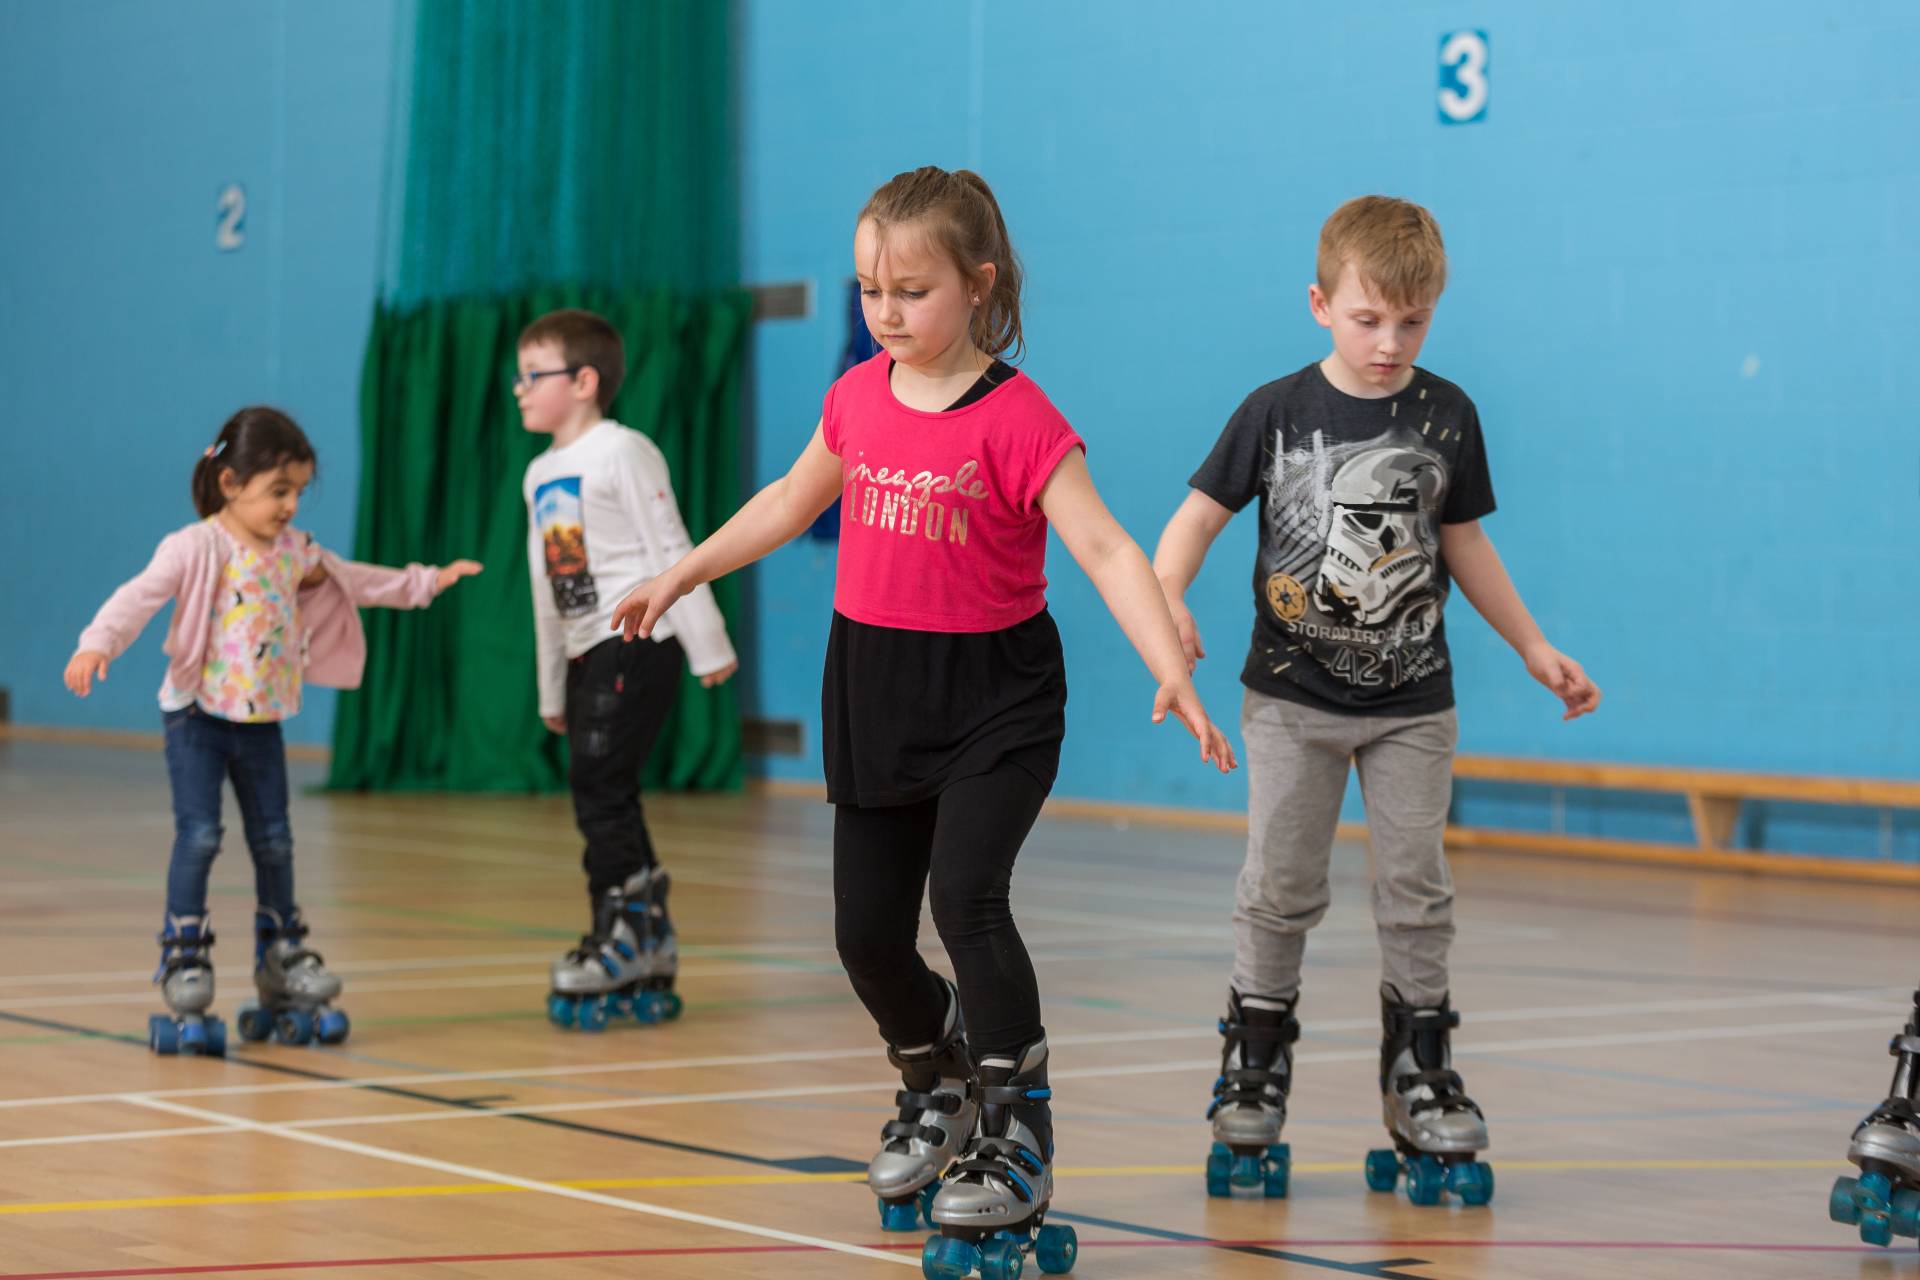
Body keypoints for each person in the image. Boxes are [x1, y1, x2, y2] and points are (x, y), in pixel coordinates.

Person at [611, 166, 1233, 1270]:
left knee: (967, 895)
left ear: (978, 284)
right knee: (864, 933)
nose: (886, 313)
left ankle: (1016, 1124)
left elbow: (1102, 544)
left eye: (911, 291)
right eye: (868, 291)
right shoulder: (857, 398)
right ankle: (934, 1076)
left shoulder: (1021, 417)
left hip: (996, 697)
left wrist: (1169, 664)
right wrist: (684, 569)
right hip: (876, 688)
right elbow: (790, 499)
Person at [1152, 195, 1600, 1206]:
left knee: (1417, 888)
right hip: (1291, 702)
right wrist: (1166, 601)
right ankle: (1255, 1062)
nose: (1390, 342)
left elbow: (1464, 541)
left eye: (1413, 321)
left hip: (1412, 703)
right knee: (1279, 884)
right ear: (1320, 304)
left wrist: (1532, 644)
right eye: (1368, 319)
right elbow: (1197, 515)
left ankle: (1421, 1070)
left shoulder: (1449, 413)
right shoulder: (1273, 412)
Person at [66, 406, 481, 1054]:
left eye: (297, 492)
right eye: (277, 491)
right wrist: (98, 646)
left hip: (261, 721)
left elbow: (358, 583)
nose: (289, 506)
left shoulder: (296, 552)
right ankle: (184, 952)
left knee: (277, 841)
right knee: (200, 835)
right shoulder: (195, 546)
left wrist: (425, 582)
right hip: (197, 718)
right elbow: (137, 596)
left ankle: (282, 952)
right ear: (230, 483)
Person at [515, 308, 738, 1031]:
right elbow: (546, 585)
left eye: (533, 376)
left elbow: (671, 545)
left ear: (583, 381)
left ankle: (628, 933)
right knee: (598, 788)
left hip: (638, 636)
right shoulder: (541, 472)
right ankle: (641, 934)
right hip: (585, 650)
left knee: (600, 783)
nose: (519, 389)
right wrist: (554, 684)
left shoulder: (623, 451)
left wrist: (709, 645)